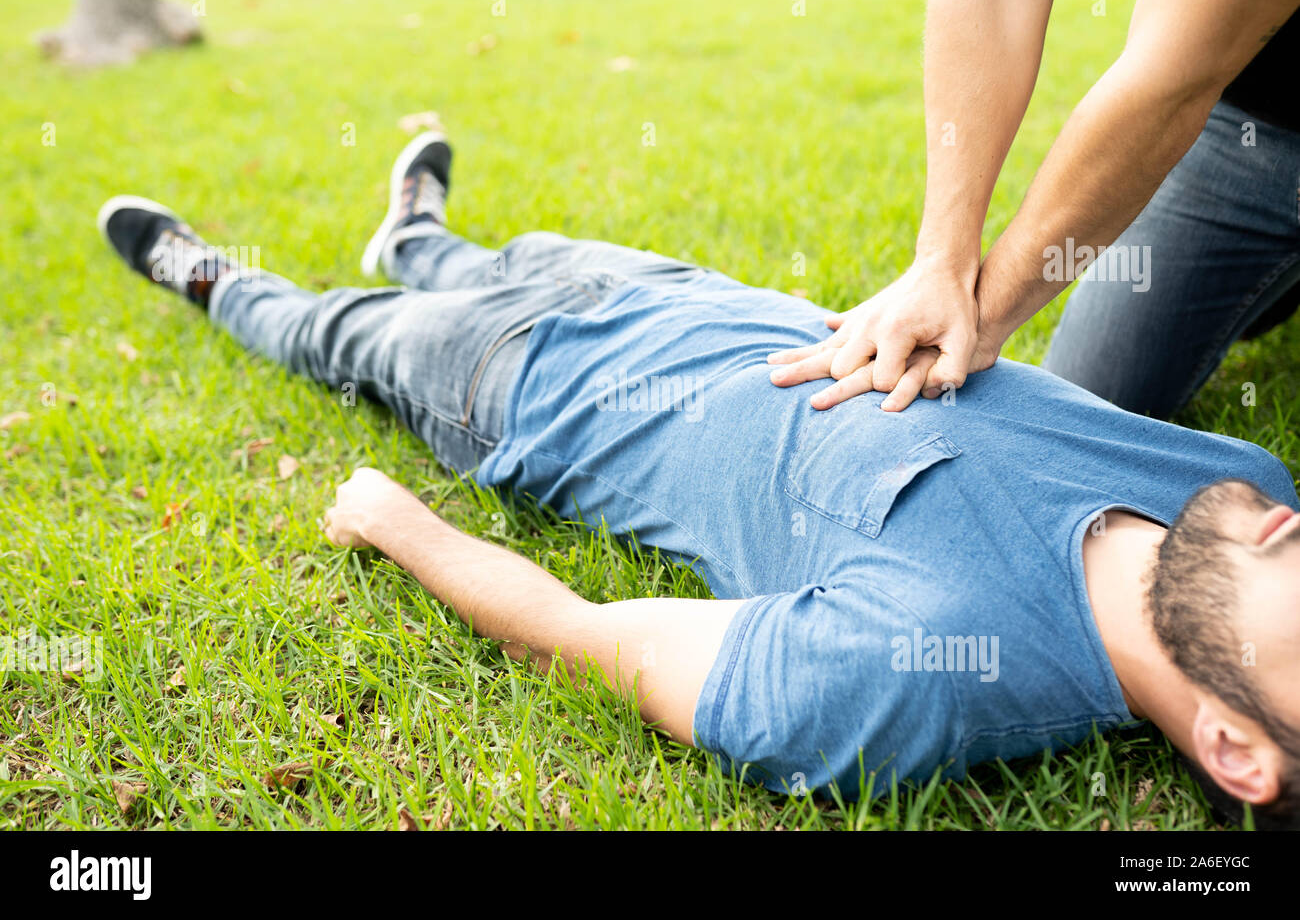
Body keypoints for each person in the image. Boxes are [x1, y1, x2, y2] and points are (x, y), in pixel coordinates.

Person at [98, 131, 1300, 826]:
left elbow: (582, 632)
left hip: (523, 391)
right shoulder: (1237, 480)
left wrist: (397, 525)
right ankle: (415, 233)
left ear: (1238, 750)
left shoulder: (902, 684)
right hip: (688, 295)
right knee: (490, 253)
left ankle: (213, 278)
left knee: (332, 333)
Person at [769, 0, 1300, 419]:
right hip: (1243, 129)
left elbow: (1166, 90)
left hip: (1189, 90)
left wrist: (980, 322)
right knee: (1091, 387)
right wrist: (941, 265)